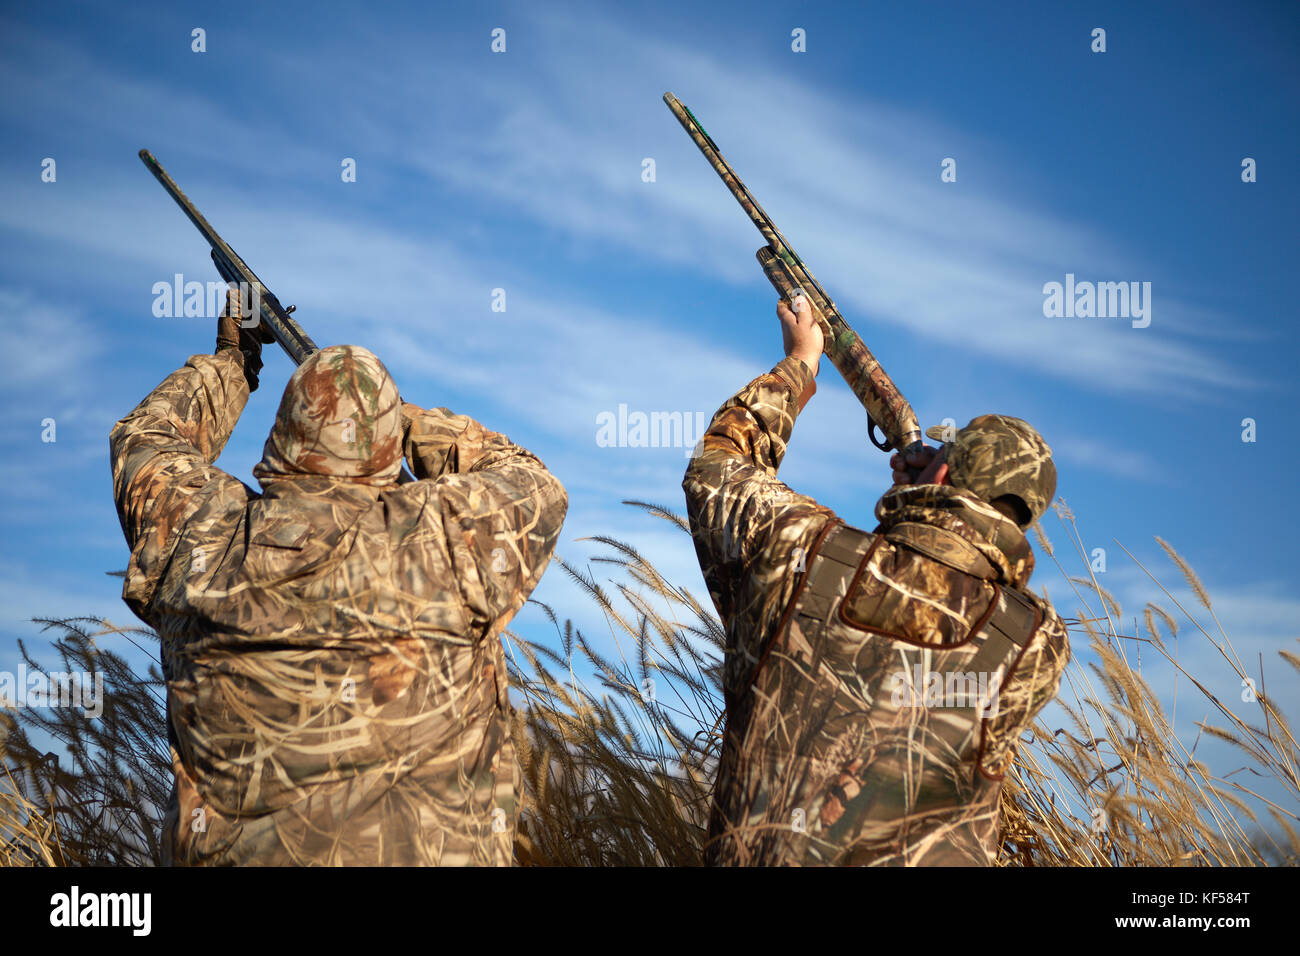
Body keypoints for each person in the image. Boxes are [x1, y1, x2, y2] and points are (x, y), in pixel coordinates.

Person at [110, 290, 567, 865]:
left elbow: (144, 438)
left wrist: (232, 362)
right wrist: (402, 421)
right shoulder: (446, 540)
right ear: (384, 449)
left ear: (282, 437)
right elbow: (532, 481)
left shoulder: (199, 536)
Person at [682, 295, 1069, 866]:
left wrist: (802, 365)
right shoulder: (1038, 643)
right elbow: (924, 610)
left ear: (941, 470)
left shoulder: (798, 549)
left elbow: (717, 466)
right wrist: (925, 499)